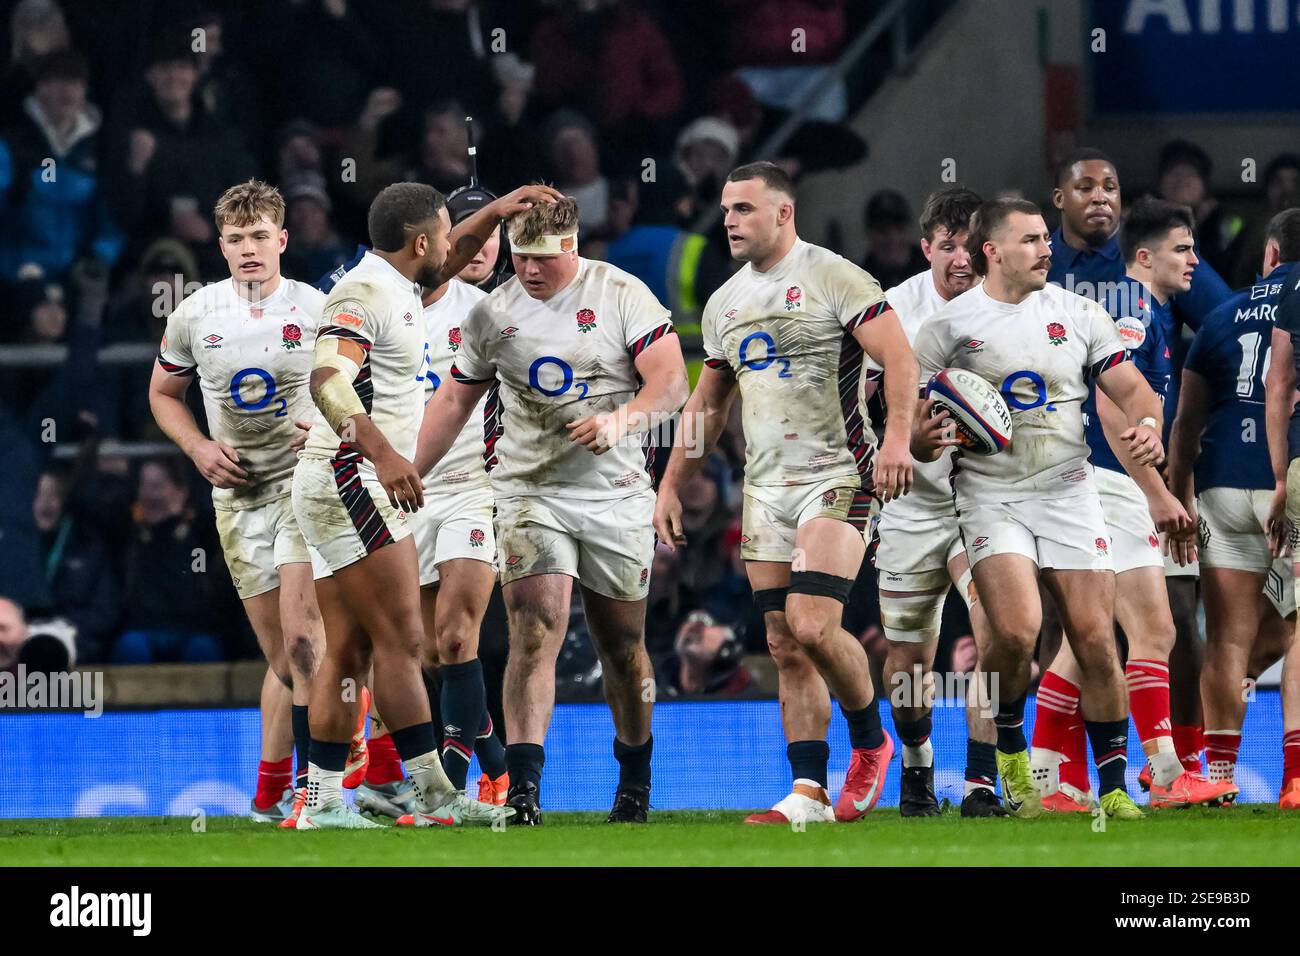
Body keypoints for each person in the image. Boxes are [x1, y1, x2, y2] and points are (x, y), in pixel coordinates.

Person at [655, 161, 917, 826]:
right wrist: (670, 487)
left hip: (840, 474)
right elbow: (707, 407)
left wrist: (896, 443)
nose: (730, 221)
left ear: (783, 212)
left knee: (812, 622)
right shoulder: (724, 303)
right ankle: (807, 793)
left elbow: (900, 358)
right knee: (782, 642)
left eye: (744, 208)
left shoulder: (835, 276)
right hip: (766, 487)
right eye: (725, 210)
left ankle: (869, 742)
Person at [415, 193, 689, 825]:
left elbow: (672, 382)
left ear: (572, 247)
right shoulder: (493, 315)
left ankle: (634, 776)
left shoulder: (622, 294)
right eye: (520, 258)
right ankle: (523, 792)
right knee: (534, 628)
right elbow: (455, 402)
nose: (529, 270)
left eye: (542, 258)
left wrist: (623, 420)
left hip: (614, 495)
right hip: (529, 489)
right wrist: (409, 476)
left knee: (620, 646)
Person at [292, 180, 555, 828]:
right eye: (445, 232)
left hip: (339, 482)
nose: (459, 245)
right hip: (352, 479)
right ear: (419, 242)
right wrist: (383, 455)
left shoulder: (397, 284)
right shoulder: (362, 294)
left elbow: (454, 247)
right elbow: (327, 377)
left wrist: (495, 210)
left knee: (351, 650)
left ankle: (325, 801)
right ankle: (433, 793)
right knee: (405, 638)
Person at [911, 198, 1166, 820]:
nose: (1045, 249)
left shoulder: (1078, 312)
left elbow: (1129, 386)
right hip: (989, 494)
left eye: (1045, 240)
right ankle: (1008, 753)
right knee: (1018, 631)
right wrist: (925, 441)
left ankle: (1111, 788)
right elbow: (913, 431)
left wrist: (1151, 422)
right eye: (1029, 241)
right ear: (991, 252)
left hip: (1068, 489)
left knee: (1096, 637)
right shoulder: (947, 329)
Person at [1033, 197, 1233, 812]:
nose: (1194, 261)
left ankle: (1045, 779)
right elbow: (1108, 400)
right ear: (1144, 257)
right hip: (1111, 482)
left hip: (1096, 482)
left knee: (1088, 638)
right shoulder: (1130, 307)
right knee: (1154, 629)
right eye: (1182, 248)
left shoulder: (1145, 310)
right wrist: (1158, 493)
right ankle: (1168, 773)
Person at [149, 180, 327, 825]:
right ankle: (271, 790)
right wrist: (197, 448)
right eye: (235, 239)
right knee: (283, 660)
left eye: (259, 237)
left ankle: (317, 788)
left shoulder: (316, 308)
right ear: (220, 246)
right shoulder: (194, 314)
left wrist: (336, 424)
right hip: (239, 498)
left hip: (308, 487)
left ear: (282, 239)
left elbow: (362, 378)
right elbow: (163, 394)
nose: (248, 249)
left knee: (307, 642)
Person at [871, 186, 1005, 818]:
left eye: (968, 245)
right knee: (908, 666)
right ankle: (918, 766)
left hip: (984, 502)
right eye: (945, 246)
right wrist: (906, 437)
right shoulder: (893, 311)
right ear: (926, 247)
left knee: (997, 633)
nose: (959, 259)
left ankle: (981, 783)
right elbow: (868, 399)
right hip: (908, 507)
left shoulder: (1012, 307)